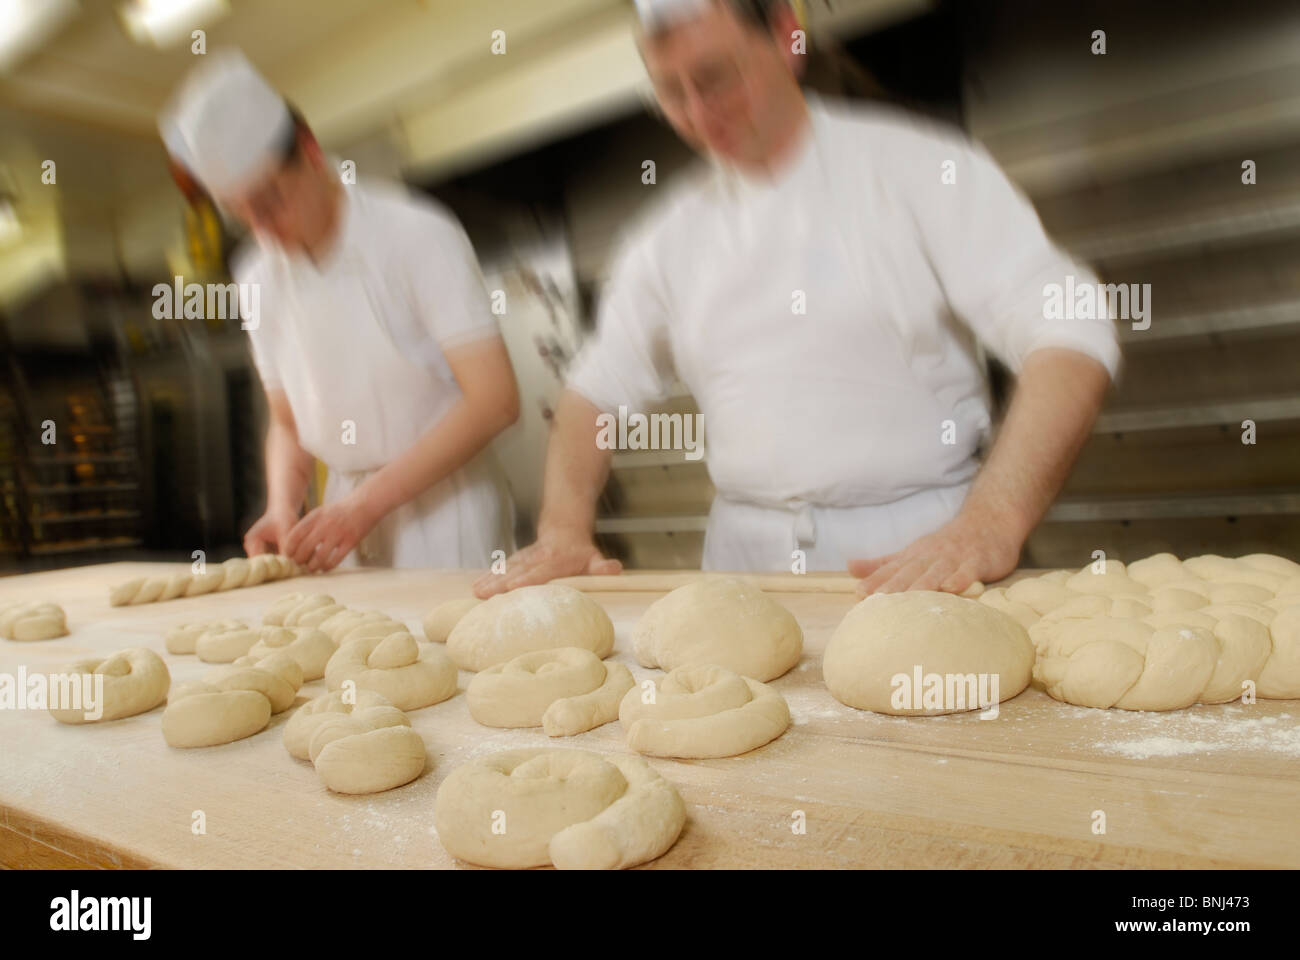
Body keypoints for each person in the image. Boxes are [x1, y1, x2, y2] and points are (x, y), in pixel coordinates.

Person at [474, 0, 1118, 598]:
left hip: (923, 554)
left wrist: (992, 520)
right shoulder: (666, 236)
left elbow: (1070, 328)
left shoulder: (918, 170)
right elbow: (596, 390)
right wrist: (562, 527)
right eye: (670, 92)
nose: (698, 115)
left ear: (787, 35)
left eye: (715, 76)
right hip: (744, 566)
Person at [159, 51, 519, 571]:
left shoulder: (415, 234)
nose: (263, 229)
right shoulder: (256, 274)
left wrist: (367, 504)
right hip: (341, 519)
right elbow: (286, 422)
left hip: (445, 512)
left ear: (309, 151)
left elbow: (495, 400)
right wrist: (283, 505)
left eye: (270, 201)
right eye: (242, 214)